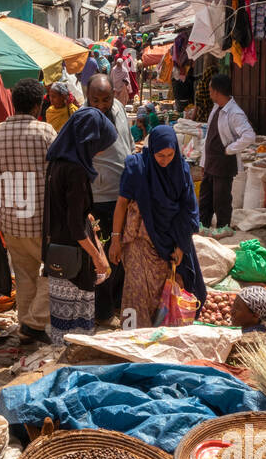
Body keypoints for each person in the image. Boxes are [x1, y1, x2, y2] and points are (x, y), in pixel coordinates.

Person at [0, 78, 57, 345]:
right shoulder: (46, 133)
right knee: (55, 273)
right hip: (42, 222)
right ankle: (34, 323)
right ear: (38, 105)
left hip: (11, 222)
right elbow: (57, 177)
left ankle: (28, 324)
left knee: (24, 276)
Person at [110, 125, 207, 329]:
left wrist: (181, 246)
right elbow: (121, 203)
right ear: (151, 149)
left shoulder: (181, 170)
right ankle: (133, 338)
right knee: (136, 291)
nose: (165, 160)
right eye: (160, 155)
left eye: (170, 155)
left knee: (169, 292)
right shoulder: (136, 167)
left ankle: (162, 338)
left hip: (170, 242)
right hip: (140, 239)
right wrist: (115, 239)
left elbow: (189, 210)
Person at [41, 108, 115, 347]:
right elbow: (75, 226)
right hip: (75, 259)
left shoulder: (58, 162)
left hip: (59, 253)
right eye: (101, 143)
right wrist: (97, 258)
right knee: (75, 332)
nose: (103, 149)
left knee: (61, 324)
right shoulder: (76, 170)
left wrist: (90, 221)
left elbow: (71, 212)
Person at [83, 74, 134, 324]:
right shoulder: (83, 119)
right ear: (87, 96)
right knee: (102, 257)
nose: (102, 104)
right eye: (96, 99)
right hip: (99, 199)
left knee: (121, 253)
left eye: (106, 98)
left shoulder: (119, 108)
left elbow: (127, 141)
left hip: (123, 195)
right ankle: (102, 313)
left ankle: (116, 303)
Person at [199, 73, 255, 237]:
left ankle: (224, 226)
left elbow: (249, 135)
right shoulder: (217, 108)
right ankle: (204, 224)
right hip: (211, 161)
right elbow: (209, 135)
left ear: (216, 91)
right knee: (205, 196)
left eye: (210, 89)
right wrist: (203, 162)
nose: (209, 93)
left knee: (221, 197)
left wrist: (230, 149)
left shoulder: (235, 113)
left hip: (224, 162)